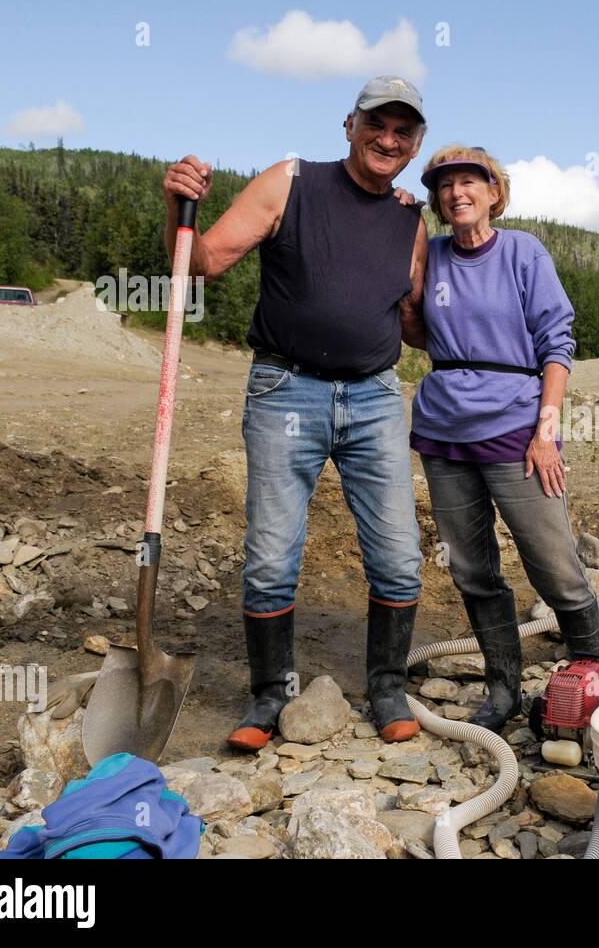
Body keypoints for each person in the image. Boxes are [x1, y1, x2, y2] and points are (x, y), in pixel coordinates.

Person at [161, 76, 431, 749]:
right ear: (349, 124)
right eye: (378, 124)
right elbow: (200, 263)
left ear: (414, 144)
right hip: (288, 390)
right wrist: (177, 206)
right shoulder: (291, 181)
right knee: (272, 556)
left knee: (399, 556)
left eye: (404, 131)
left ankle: (388, 685)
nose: (388, 139)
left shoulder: (410, 219)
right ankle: (268, 695)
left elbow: (416, 321)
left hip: (374, 397)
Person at [405, 144, 599, 732]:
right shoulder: (432, 255)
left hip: (518, 427)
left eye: (470, 181)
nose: (456, 192)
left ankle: (592, 672)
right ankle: (503, 688)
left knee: (551, 559)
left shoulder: (522, 251)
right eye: (444, 185)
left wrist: (546, 433)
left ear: (495, 192)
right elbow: (416, 331)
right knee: (471, 567)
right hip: (444, 430)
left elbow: (557, 342)